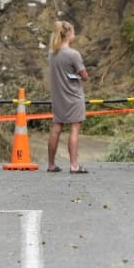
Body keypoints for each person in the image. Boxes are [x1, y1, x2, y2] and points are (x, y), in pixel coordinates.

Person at [47, 20, 89, 174]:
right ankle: (74, 165)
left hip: (58, 96)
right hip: (73, 95)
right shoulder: (73, 54)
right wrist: (80, 75)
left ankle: (51, 164)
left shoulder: (52, 54)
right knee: (74, 128)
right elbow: (84, 76)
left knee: (56, 126)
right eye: (73, 32)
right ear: (68, 33)